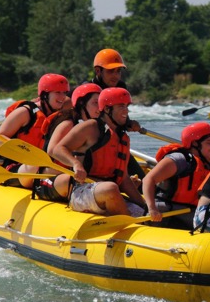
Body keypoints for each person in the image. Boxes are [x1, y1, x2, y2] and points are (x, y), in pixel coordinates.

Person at [52, 87, 147, 216]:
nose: (126, 111)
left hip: (107, 191)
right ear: (107, 109)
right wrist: (76, 164)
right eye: (121, 106)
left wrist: (144, 205)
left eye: (126, 106)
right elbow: (58, 149)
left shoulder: (122, 137)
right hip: (81, 190)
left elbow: (123, 178)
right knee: (110, 188)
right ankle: (127, 223)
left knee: (145, 211)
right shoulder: (91, 127)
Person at [19, 83, 102, 195]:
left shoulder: (97, 128)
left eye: (101, 103)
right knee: (70, 181)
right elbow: (52, 150)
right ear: (82, 103)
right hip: (47, 176)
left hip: (72, 175)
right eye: (95, 103)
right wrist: (75, 164)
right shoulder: (68, 123)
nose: (100, 108)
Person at [142, 122, 210, 229]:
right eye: (209, 143)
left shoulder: (206, 166)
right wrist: (152, 208)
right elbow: (148, 179)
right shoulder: (179, 160)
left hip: (187, 210)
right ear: (195, 143)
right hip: (164, 211)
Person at [90, 48, 146, 184]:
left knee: (143, 182)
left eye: (118, 71)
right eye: (110, 71)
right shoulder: (89, 91)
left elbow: (119, 116)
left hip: (117, 143)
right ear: (98, 71)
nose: (115, 75)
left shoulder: (121, 87)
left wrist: (129, 123)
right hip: (94, 147)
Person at [0, 73, 70, 150]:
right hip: (17, 159)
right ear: (45, 95)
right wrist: (23, 150)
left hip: (41, 160)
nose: (63, 97)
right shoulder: (24, 113)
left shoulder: (62, 111)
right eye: (58, 92)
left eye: (64, 92)